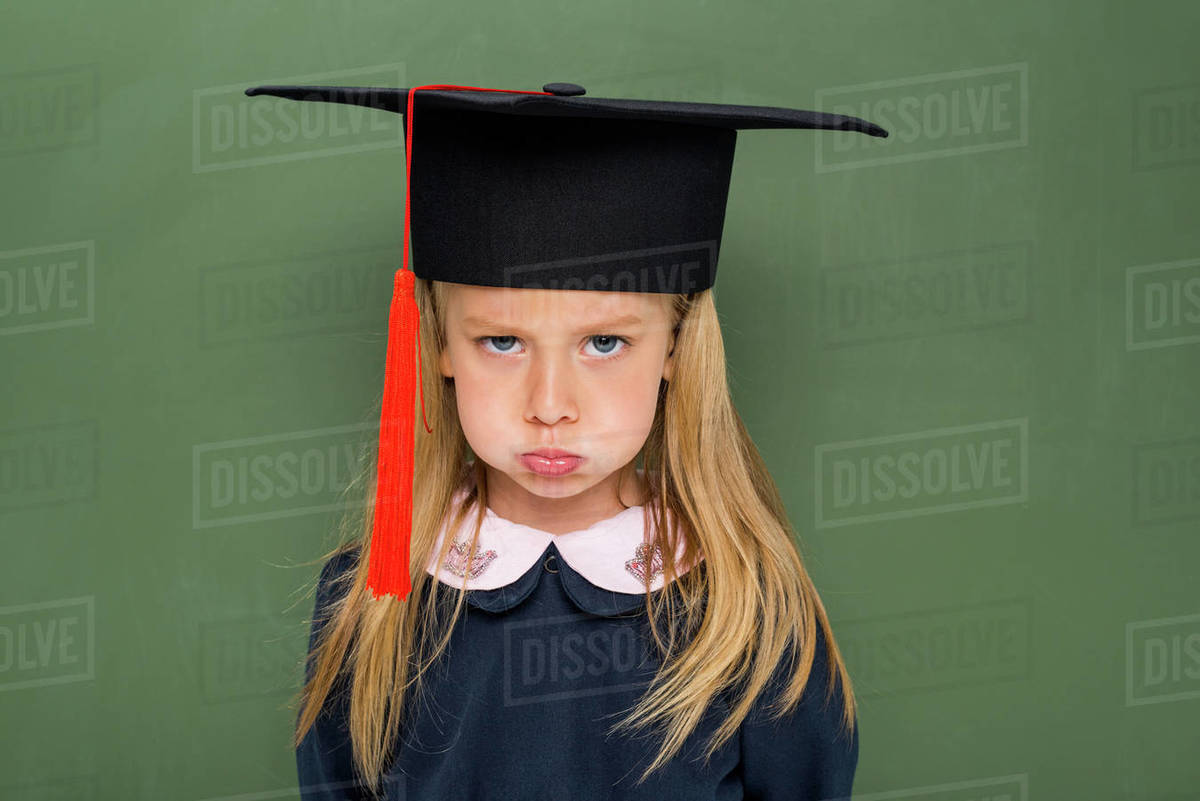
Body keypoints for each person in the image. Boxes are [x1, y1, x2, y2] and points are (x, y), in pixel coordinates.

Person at [243, 80, 888, 799]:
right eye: (502, 341)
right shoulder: (372, 601)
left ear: (675, 346)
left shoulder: (747, 607)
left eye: (605, 342)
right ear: (438, 345)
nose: (550, 405)